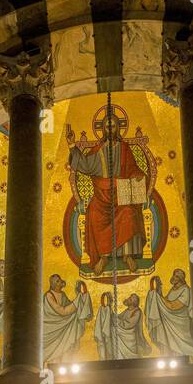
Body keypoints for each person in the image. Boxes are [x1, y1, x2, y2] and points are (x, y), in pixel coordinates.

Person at [66, 109, 150, 276]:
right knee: (94, 213)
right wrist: (71, 145)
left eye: (113, 126)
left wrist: (138, 176)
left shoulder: (124, 148)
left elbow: (133, 169)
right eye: (107, 126)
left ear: (117, 128)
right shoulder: (98, 149)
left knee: (127, 212)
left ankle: (127, 255)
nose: (110, 129)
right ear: (103, 129)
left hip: (122, 194)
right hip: (101, 195)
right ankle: (103, 257)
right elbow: (84, 164)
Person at [144, 269, 193, 357]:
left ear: (181, 279)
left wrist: (158, 298)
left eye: (176, 276)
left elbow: (174, 306)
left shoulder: (185, 290)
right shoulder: (173, 289)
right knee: (170, 345)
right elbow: (166, 301)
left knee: (180, 347)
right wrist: (158, 292)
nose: (173, 278)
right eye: (174, 275)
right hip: (170, 321)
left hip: (180, 324)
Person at [43, 275, 93, 363]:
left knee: (66, 351)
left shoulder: (62, 294)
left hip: (64, 330)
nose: (61, 282)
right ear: (53, 284)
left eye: (60, 280)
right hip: (53, 330)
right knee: (55, 356)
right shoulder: (49, 295)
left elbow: (71, 307)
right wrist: (77, 301)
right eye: (58, 281)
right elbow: (62, 311)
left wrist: (81, 297)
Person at [113, 293, 151, 359]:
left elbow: (128, 324)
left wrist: (117, 321)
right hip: (124, 335)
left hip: (129, 338)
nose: (127, 299)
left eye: (130, 299)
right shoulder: (127, 310)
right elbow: (119, 317)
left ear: (133, 302)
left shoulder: (137, 312)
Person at [94, 291, 117, 360]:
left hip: (110, 335)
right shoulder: (103, 310)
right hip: (107, 335)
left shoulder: (109, 310)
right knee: (104, 348)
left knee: (109, 350)